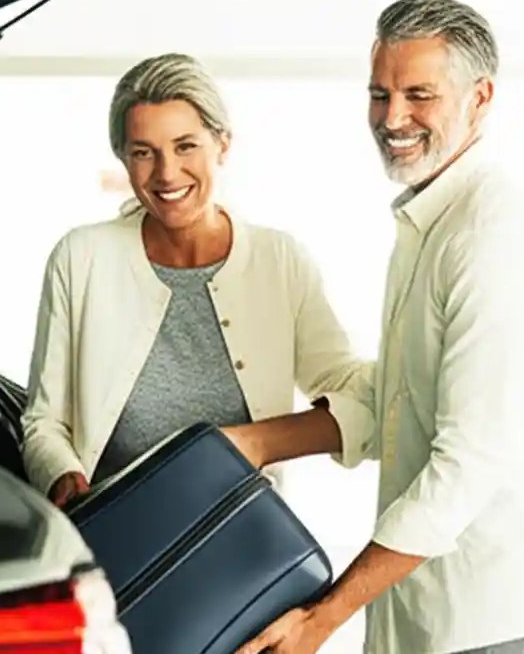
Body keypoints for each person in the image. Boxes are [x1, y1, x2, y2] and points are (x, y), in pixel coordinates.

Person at [224, 0, 524, 654]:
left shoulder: (490, 236)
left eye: (418, 94)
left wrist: (321, 617)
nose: (393, 117)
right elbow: (399, 396)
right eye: (379, 93)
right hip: (431, 621)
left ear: (480, 98)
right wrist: (250, 445)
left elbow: (466, 465)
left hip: (491, 622)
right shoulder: (427, 224)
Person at [20, 52, 371, 505]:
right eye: (144, 153)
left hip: (241, 541)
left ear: (222, 144)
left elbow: (357, 404)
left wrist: (253, 442)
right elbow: (43, 422)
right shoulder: (81, 258)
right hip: (111, 541)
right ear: (124, 159)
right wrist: (64, 477)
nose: (166, 173)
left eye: (186, 146)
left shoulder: (279, 261)